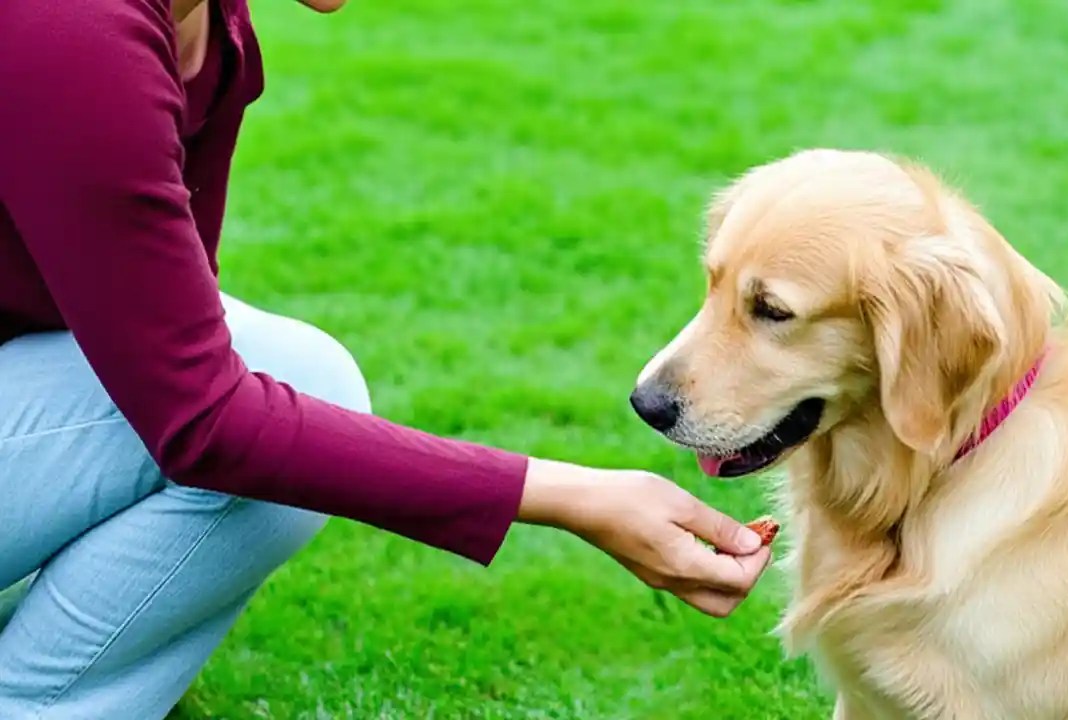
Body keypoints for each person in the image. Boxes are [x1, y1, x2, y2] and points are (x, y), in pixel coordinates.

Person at [0, 0, 771, 717]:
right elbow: (203, 418)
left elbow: (178, 324)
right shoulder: (72, 30)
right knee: (298, 386)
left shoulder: (207, 25)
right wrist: (572, 496)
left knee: (272, 388)